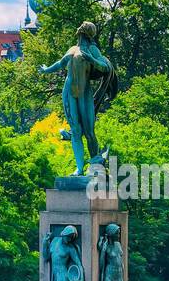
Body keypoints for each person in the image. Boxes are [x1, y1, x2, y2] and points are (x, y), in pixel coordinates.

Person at [40, 22, 114, 175]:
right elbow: (61, 63)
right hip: (69, 91)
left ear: (84, 34)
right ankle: (79, 168)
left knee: (89, 132)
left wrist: (92, 59)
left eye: (81, 32)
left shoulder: (92, 49)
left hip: (84, 92)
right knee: (75, 129)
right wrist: (46, 70)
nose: (79, 34)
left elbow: (105, 67)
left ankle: (95, 165)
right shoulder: (73, 49)